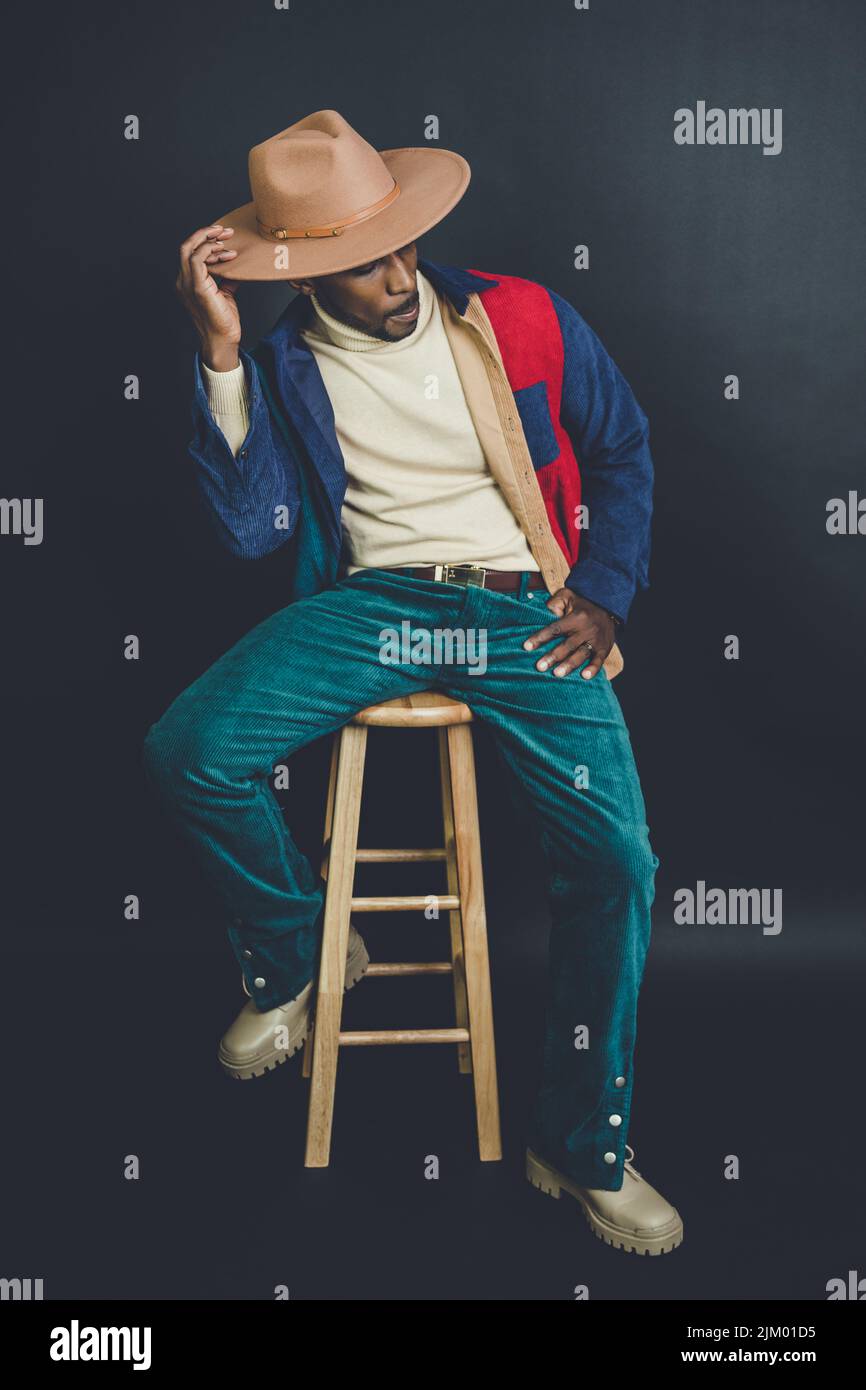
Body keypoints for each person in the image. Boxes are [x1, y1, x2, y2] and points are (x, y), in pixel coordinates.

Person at [142, 109, 683, 1256]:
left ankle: (581, 1141)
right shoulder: (285, 360)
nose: (392, 273)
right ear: (307, 276)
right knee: (190, 747)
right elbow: (253, 533)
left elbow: (624, 441)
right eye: (356, 263)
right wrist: (220, 352)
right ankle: (299, 949)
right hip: (374, 610)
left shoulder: (522, 314)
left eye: (395, 245)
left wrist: (604, 589)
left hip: (516, 609)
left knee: (617, 859)